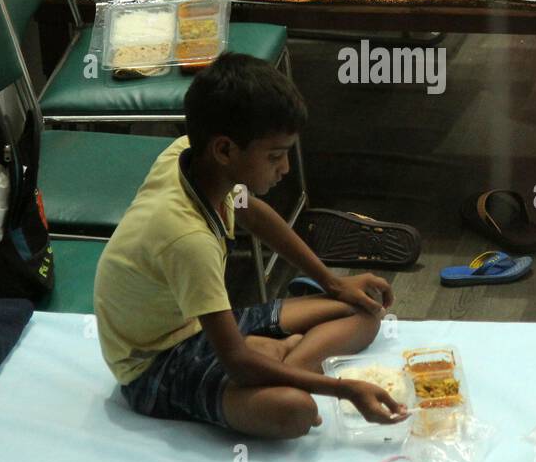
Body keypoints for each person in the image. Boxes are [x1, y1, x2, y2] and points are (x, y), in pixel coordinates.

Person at [94, 52, 408, 439]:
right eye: (275, 156)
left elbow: (251, 213)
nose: (285, 168)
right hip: (156, 363)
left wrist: (333, 283)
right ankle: (281, 364)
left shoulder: (187, 155)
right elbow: (238, 363)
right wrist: (344, 389)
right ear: (225, 150)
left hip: (194, 325)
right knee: (295, 411)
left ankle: (283, 361)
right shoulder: (187, 239)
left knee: (363, 310)